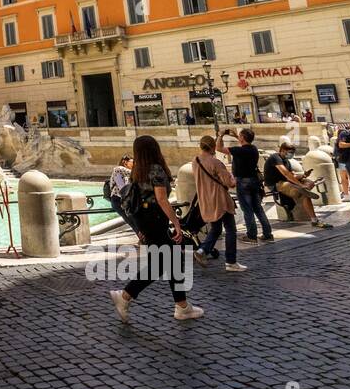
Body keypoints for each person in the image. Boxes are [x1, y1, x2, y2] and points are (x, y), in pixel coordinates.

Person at [109, 135, 204, 323]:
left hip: (145, 221)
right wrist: (176, 223)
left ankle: (182, 305)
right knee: (163, 262)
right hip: (156, 219)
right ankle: (126, 295)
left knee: (171, 260)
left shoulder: (138, 172)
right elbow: (161, 199)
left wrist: (139, 228)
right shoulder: (155, 170)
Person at [193, 135, 245, 272]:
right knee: (231, 230)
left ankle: (202, 250)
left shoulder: (195, 161)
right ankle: (231, 261)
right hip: (220, 200)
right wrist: (235, 179)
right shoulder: (215, 163)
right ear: (212, 147)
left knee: (216, 229)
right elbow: (230, 183)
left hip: (205, 200)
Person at [264, 141, 330, 228]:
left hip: (286, 182)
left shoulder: (286, 161)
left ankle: (314, 218)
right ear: (283, 150)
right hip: (275, 184)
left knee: (306, 185)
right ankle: (304, 190)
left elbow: (292, 175)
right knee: (301, 190)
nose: (292, 154)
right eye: (290, 152)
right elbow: (286, 174)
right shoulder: (275, 158)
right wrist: (301, 185)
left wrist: (303, 175)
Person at [229, 127, 274, 241]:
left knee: (247, 210)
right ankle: (268, 234)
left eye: (240, 136)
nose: (238, 137)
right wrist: (236, 136)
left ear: (243, 138)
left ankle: (251, 236)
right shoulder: (253, 149)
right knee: (258, 209)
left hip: (243, 182)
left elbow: (219, 148)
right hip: (254, 181)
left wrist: (221, 135)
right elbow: (245, 145)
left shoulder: (239, 151)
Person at [105, 153, 133, 220]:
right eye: (133, 162)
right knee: (132, 222)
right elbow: (122, 188)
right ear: (125, 162)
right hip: (118, 200)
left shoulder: (127, 175)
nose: (134, 164)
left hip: (125, 200)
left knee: (135, 222)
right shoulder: (118, 169)